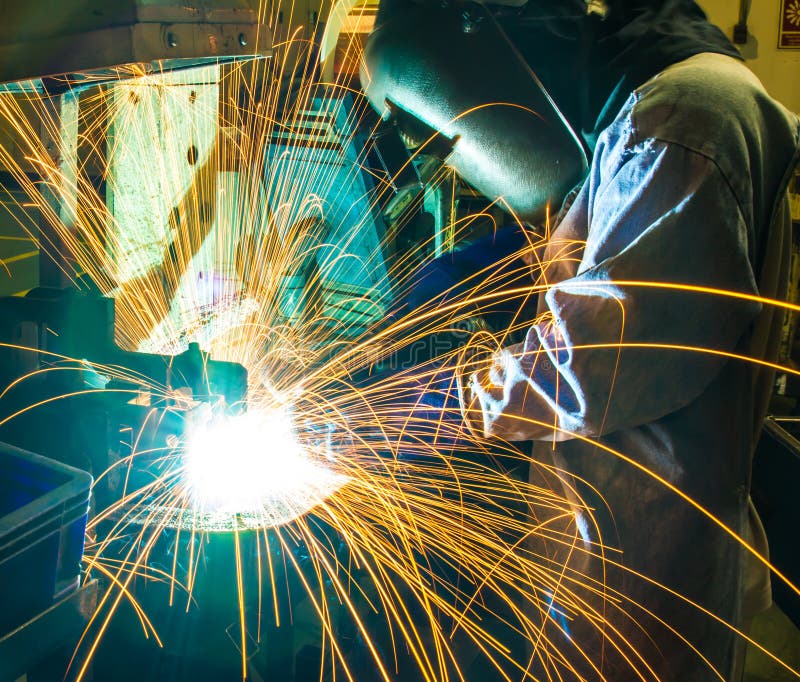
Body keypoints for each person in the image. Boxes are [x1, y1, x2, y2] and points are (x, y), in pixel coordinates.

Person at [360, 0, 800, 679]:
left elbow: (581, 369)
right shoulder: (651, 101)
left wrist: (399, 414)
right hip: (623, 524)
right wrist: (459, 275)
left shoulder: (677, 127)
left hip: (640, 559)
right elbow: (600, 246)